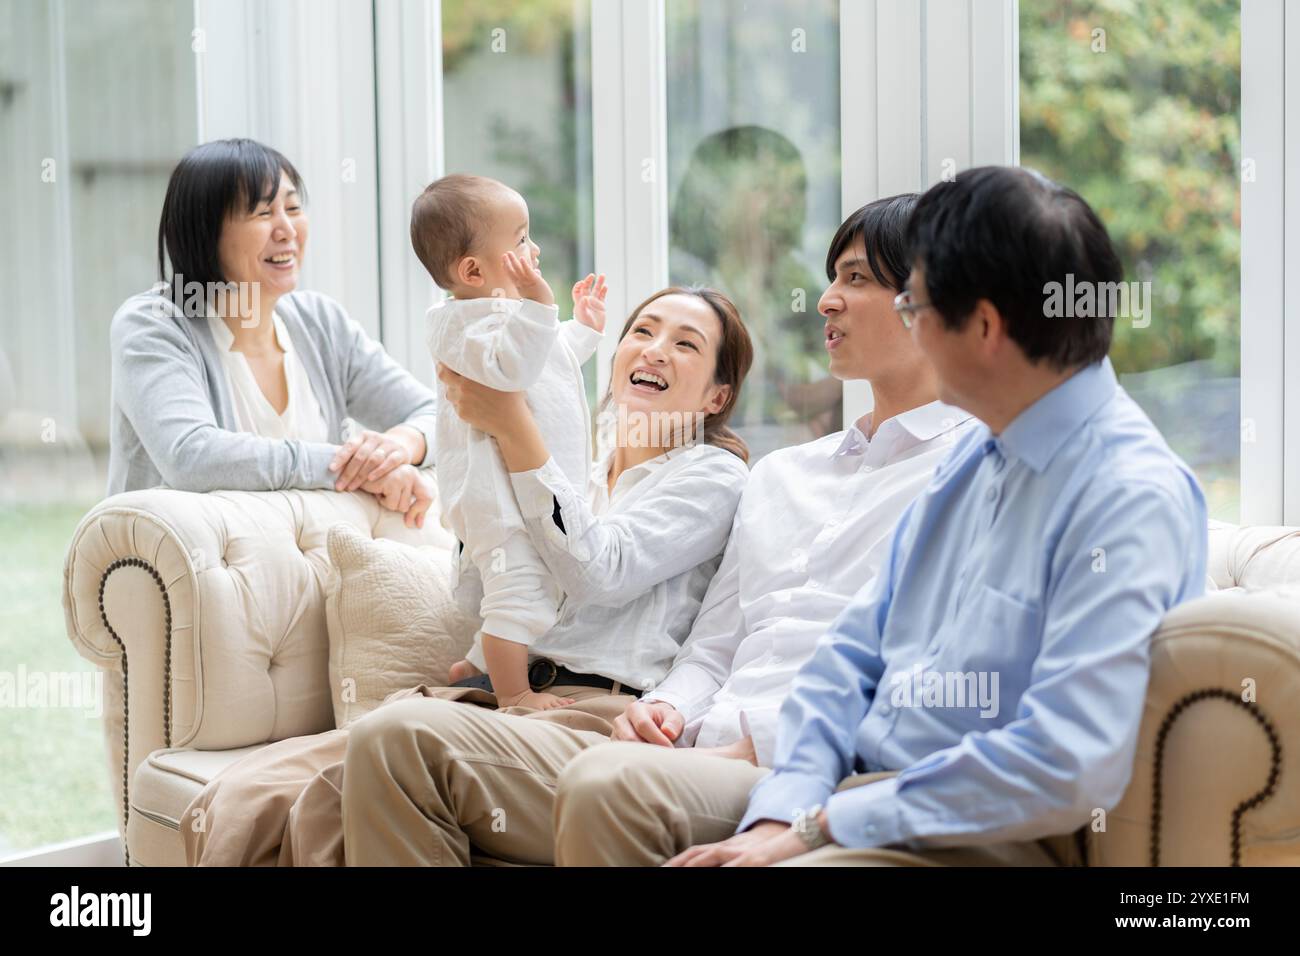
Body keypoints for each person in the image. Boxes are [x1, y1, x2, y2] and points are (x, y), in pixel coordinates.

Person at [553, 166, 1208, 868]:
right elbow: (851, 657)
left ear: (984, 327)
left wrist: (825, 819)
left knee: (611, 789)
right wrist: (786, 810)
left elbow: (1066, 761)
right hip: (861, 787)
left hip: (983, 824)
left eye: (917, 308)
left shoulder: (1126, 495)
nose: (907, 326)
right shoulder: (976, 462)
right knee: (615, 791)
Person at [338, 194, 972, 865]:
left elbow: (937, 664)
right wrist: (669, 707)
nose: (824, 301)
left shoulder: (968, 470)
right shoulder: (785, 475)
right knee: (371, 747)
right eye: (640, 331)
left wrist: (758, 743)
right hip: (691, 738)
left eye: (857, 279)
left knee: (585, 779)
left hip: (786, 758)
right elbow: (716, 643)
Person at [182, 284, 753, 865]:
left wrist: (512, 427)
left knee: (333, 795)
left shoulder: (712, 477)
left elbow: (601, 570)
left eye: (686, 345)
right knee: (242, 797)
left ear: (716, 396)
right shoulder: (576, 470)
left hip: (586, 715)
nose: (655, 349)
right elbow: (484, 581)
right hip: (487, 698)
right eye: (643, 331)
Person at [108, 138, 438, 522]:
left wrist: (398, 446)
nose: (287, 230)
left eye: (294, 208)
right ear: (204, 230)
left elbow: (436, 413)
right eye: (263, 213)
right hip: (191, 571)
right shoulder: (154, 325)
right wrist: (348, 466)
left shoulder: (319, 323)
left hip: (310, 566)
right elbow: (191, 456)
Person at [412, 173, 615, 709]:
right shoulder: (460, 327)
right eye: (521, 240)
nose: (535, 249)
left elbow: (543, 361)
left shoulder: (506, 319)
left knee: (535, 587)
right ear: (473, 271)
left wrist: (583, 330)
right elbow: (510, 367)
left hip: (525, 491)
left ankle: (472, 665)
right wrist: (541, 303)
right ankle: (516, 695)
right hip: (494, 498)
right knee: (519, 592)